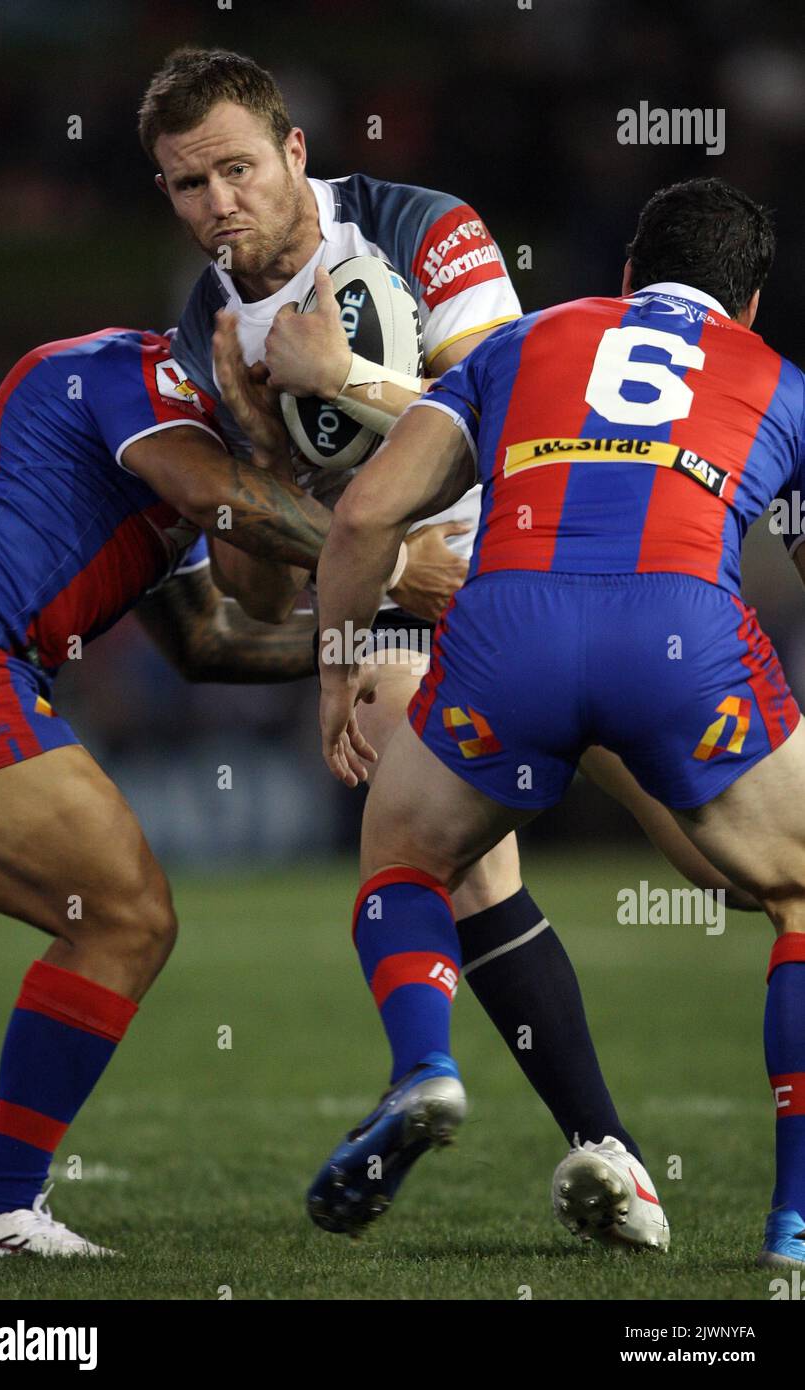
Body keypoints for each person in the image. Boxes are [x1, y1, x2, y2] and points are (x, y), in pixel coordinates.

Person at [138, 48, 764, 1244]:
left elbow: (528, 400)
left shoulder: (421, 227)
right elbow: (251, 576)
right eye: (184, 186)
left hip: (543, 564)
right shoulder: (205, 319)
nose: (217, 203)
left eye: (234, 169)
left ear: (293, 156)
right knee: (454, 858)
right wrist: (264, 454)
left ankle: (499, 1104)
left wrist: (340, 377)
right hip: (402, 603)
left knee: (722, 870)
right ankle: (593, 1149)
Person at [310, 177, 805, 1268]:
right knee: (795, 894)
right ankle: (793, 1226)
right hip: (681, 637)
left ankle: (424, 1066)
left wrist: (336, 669)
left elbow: (363, 513)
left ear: (626, 276)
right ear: (752, 304)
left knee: (404, 860)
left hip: (506, 635)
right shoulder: (781, 381)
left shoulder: (523, 342)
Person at [0, 322, 339, 1260]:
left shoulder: (190, 445)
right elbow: (218, 498)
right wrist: (396, 568)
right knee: (124, 917)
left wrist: (376, 644)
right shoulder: (128, 372)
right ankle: (0, 1212)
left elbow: (213, 636)